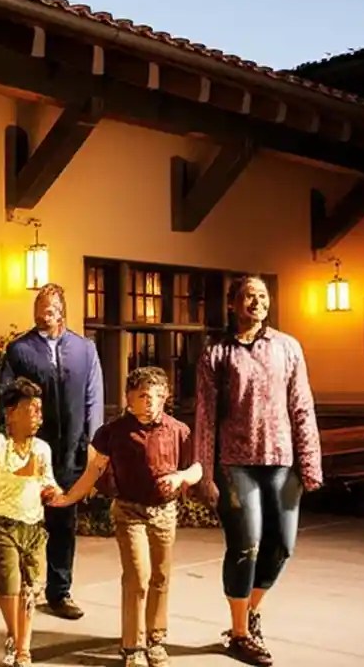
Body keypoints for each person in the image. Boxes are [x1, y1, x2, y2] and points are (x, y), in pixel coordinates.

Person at [194, 275, 323, 666]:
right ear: (233, 304)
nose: (257, 302)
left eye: (263, 296)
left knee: (281, 545)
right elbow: (205, 416)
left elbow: (302, 406)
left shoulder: (288, 347)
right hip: (235, 465)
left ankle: (250, 612)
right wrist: (204, 475)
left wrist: (310, 463)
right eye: (248, 296)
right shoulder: (216, 352)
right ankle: (239, 634)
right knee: (245, 545)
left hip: (283, 463)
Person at [52, 367, 201, 667]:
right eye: (143, 396)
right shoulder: (112, 432)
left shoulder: (178, 430)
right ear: (129, 398)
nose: (150, 402)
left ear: (166, 397)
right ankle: (132, 645)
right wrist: (68, 498)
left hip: (164, 511)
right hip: (129, 510)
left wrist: (180, 477)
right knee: (138, 576)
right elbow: (93, 472)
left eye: (157, 396)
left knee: (161, 576)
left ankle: (156, 640)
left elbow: (196, 468)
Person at [0, 283, 104, 620]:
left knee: (64, 521)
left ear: (62, 309)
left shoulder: (85, 349)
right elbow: (6, 398)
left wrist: (94, 442)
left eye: (50, 307)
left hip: (71, 450)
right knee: (25, 519)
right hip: (31, 450)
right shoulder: (19, 350)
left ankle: (60, 591)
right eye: (39, 306)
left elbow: (94, 397)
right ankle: (24, 584)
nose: (44, 312)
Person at [0, 377, 62, 667]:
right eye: (31, 410)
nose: (38, 417)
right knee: (9, 585)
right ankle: (17, 640)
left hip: (33, 525)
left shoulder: (42, 449)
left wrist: (54, 491)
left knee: (32, 587)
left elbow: (47, 480)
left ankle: (23, 645)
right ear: (11, 413)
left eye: (40, 410)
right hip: (2, 523)